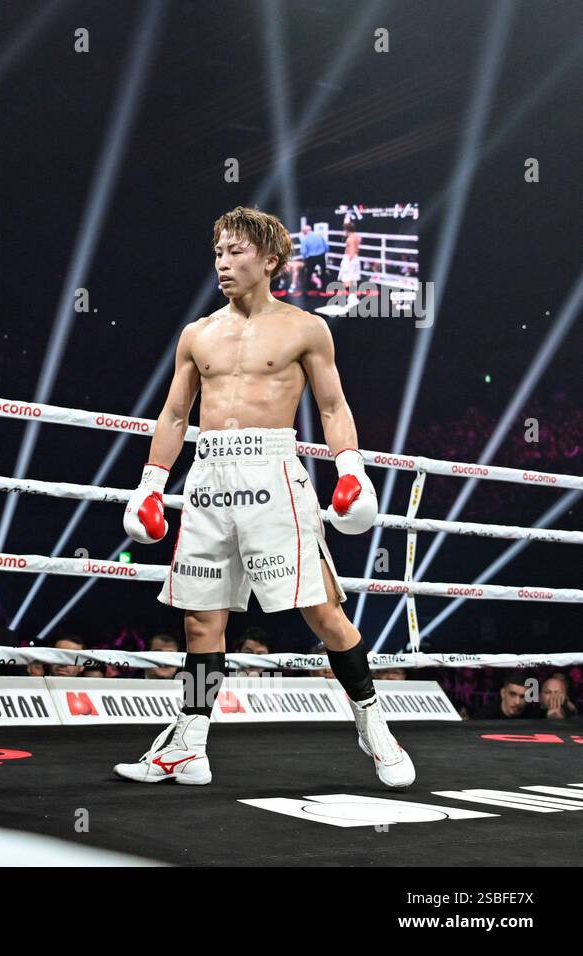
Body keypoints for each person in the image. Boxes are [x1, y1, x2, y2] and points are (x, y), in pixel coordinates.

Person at [114, 206, 413, 790]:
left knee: (323, 611)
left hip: (274, 472)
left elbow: (332, 407)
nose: (223, 263)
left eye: (236, 252)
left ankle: (375, 727)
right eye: (218, 252)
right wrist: (151, 485)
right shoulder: (197, 333)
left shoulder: (305, 328)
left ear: (270, 259)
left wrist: (350, 470)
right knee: (201, 622)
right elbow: (175, 413)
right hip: (207, 477)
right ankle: (189, 747)